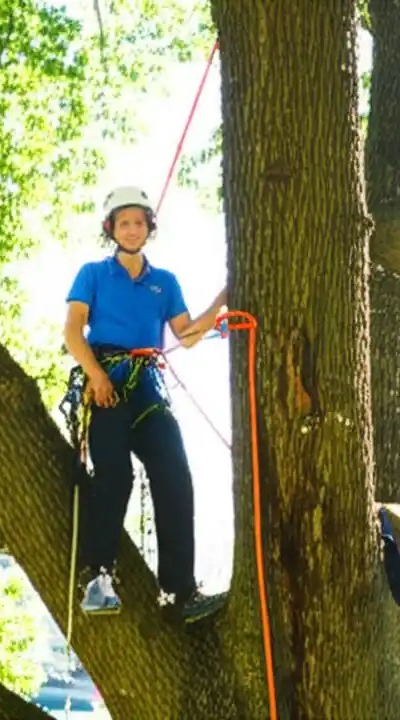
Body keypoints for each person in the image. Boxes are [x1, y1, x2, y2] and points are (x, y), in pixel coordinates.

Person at [62, 185, 228, 623]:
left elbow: (188, 336)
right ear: (111, 229)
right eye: (124, 223)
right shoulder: (93, 274)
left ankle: (180, 591)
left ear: (149, 228)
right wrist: (96, 377)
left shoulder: (164, 282)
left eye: (139, 222)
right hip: (108, 381)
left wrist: (224, 297)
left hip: (148, 388)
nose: (132, 229)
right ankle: (98, 577)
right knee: (114, 475)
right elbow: (73, 333)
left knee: (175, 474)